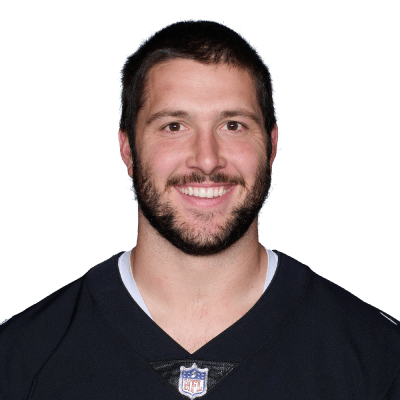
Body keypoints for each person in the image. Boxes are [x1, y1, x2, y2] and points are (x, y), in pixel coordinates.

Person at [1, 19, 399, 400]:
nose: (207, 160)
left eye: (233, 126)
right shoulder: (20, 356)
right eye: (174, 126)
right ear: (128, 149)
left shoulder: (379, 356)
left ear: (272, 145)